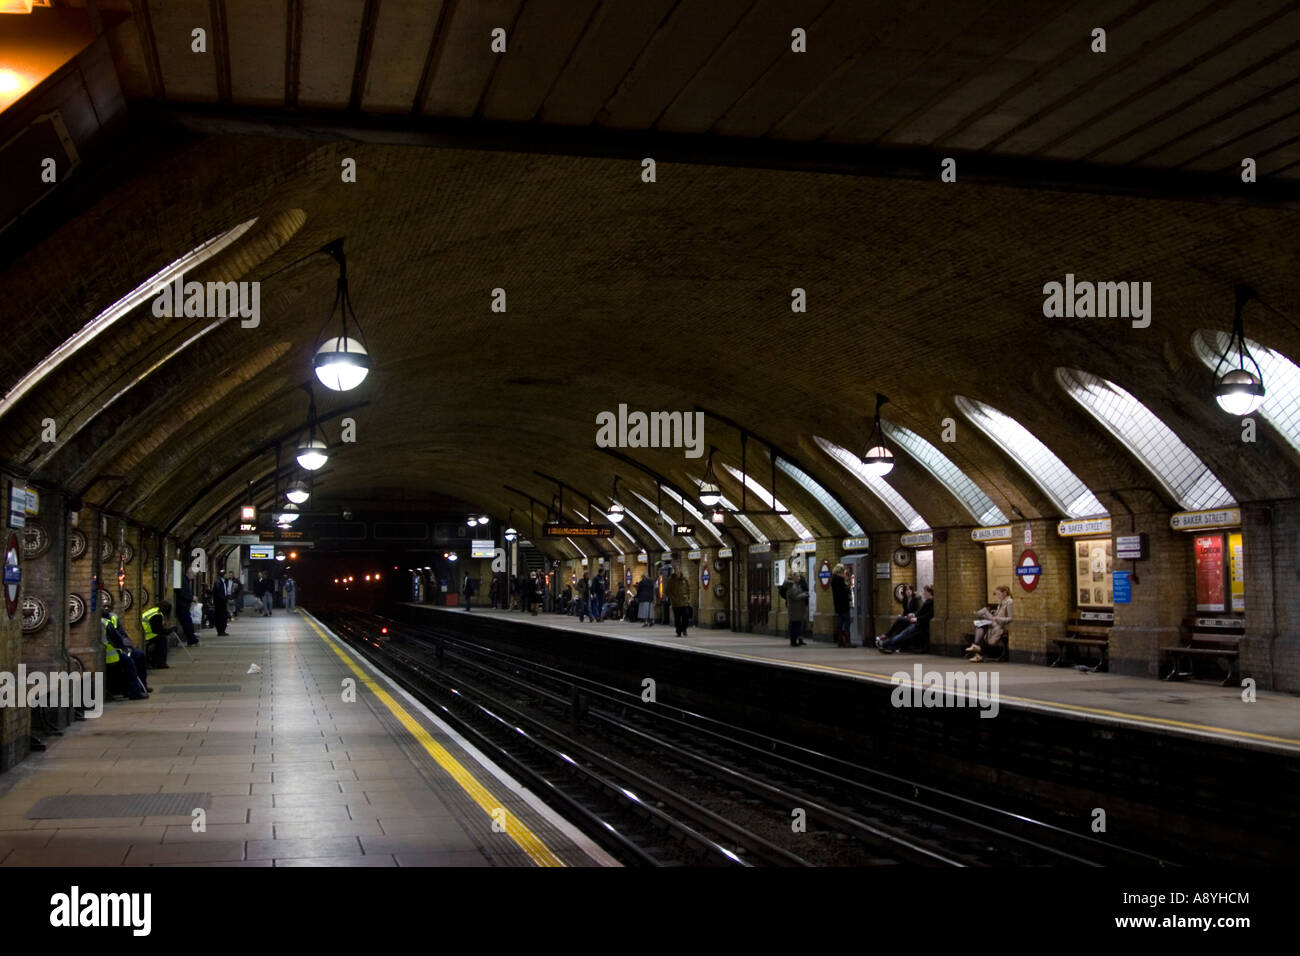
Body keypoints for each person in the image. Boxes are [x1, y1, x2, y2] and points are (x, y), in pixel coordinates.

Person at [101, 608, 149, 699]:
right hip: (112, 654)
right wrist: (124, 648)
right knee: (129, 663)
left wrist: (127, 646)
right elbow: (118, 640)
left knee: (139, 655)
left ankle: (141, 686)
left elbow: (122, 635)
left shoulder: (111, 619)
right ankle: (134, 692)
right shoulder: (106, 623)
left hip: (112, 652)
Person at [877, 584, 935, 653]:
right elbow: (920, 612)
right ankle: (889, 645)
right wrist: (913, 615)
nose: (924, 593)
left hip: (920, 624)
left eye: (925, 592)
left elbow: (929, 615)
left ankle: (884, 643)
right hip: (917, 622)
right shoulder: (927, 601)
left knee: (903, 634)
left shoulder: (930, 602)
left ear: (929, 592)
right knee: (901, 630)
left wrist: (916, 618)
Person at [967, 585, 1013, 662]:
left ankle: (976, 647)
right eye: (997, 594)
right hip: (995, 622)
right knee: (980, 625)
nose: (998, 596)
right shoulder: (1001, 602)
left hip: (1000, 625)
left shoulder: (1010, 602)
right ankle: (976, 649)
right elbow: (999, 613)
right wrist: (993, 614)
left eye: (999, 594)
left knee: (983, 618)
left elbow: (1010, 618)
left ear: (1005, 593)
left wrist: (996, 618)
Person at [141, 601, 178, 669]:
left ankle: (155, 662)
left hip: (144, 633)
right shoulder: (158, 615)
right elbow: (157, 630)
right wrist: (169, 630)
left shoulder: (153, 610)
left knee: (161, 638)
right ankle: (160, 663)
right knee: (162, 639)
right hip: (147, 634)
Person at [174, 573, 200, 647]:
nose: (194, 577)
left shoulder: (185, 580)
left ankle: (192, 639)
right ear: (189, 573)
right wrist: (191, 597)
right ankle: (192, 640)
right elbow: (182, 593)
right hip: (182, 606)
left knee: (188, 623)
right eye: (194, 575)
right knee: (187, 624)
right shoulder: (183, 581)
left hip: (184, 606)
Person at [667, 565, 691, 637]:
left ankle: (684, 629)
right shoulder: (671, 580)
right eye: (676, 570)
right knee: (677, 618)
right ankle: (678, 631)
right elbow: (668, 591)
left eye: (678, 570)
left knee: (686, 616)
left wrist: (688, 598)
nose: (677, 572)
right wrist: (673, 598)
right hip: (676, 603)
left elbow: (688, 589)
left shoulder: (684, 579)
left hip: (684, 601)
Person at [831, 564, 852, 647]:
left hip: (837, 605)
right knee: (847, 624)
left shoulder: (833, 580)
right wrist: (848, 586)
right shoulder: (841, 580)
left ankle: (840, 642)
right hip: (844, 604)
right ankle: (847, 642)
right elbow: (844, 591)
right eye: (843, 571)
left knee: (839, 624)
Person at [785, 571, 809, 646]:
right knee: (794, 626)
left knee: (797, 625)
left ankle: (795, 641)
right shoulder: (791, 585)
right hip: (794, 609)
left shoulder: (796, 585)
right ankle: (793, 642)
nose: (799, 578)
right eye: (798, 576)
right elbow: (794, 596)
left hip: (798, 609)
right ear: (794, 577)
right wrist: (804, 594)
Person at [211, 571, 229, 636]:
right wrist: (223, 599)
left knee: (224, 617)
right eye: (226, 574)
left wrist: (226, 598)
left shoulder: (224, 582)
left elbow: (225, 591)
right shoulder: (218, 582)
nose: (227, 575)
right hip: (219, 603)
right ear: (223, 575)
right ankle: (220, 631)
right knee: (220, 617)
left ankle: (222, 630)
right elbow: (218, 593)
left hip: (223, 602)